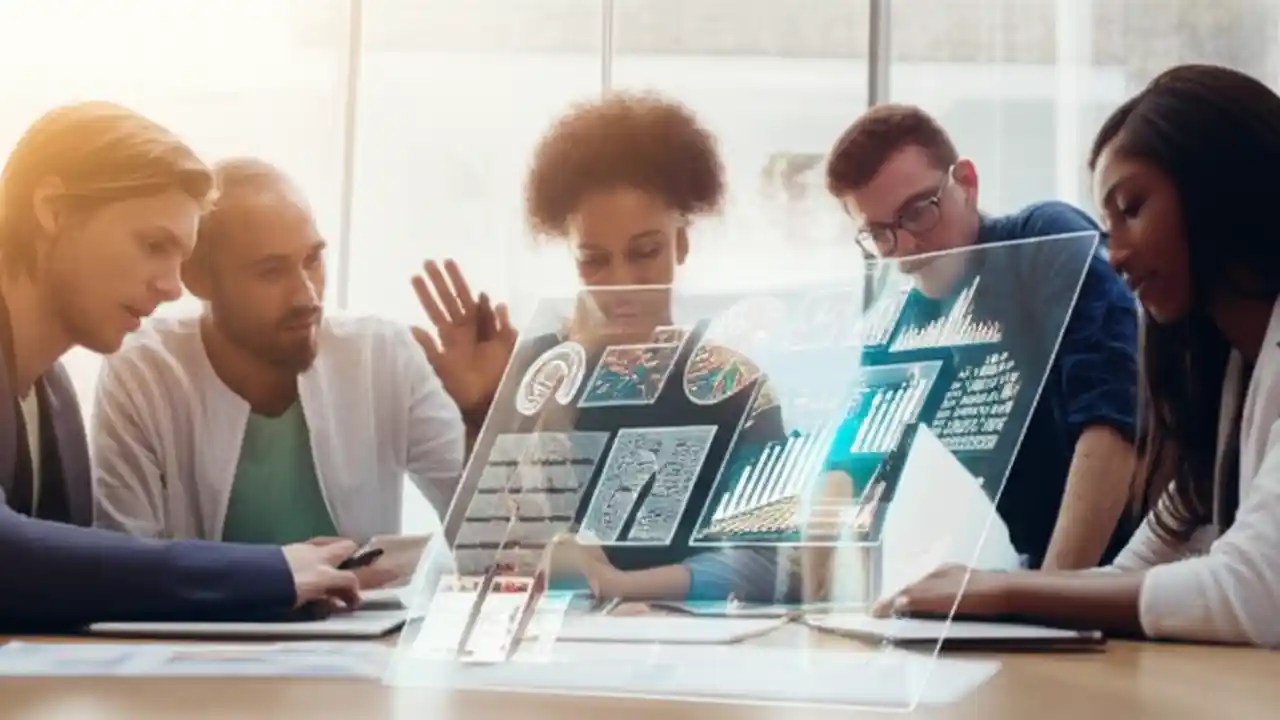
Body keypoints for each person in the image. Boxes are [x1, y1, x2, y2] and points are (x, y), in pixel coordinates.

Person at [877, 64, 1280, 647]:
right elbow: (1133, 570)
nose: (1115, 255)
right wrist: (994, 597)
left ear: (1219, 189)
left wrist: (1006, 592)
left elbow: (1256, 592)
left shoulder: (1044, 236)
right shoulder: (1228, 378)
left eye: (1132, 208)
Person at [0, 102, 374, 631]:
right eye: (154, 245)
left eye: (181, 257)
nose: (173, 286)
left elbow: (70, 580)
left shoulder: (51, 392)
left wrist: (281, 586)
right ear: (53, 209)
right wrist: (266, 573)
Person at [413, 93, 788, 601]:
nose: (622, 283)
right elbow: (479, 555)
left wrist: (624, 587)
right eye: (594, 260)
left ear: (680, 241)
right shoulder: (540, 370)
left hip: (678, 640)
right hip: (553, 642)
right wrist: (488, 414)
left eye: (646, 252)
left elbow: (769, 560)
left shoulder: (729, 384)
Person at [822, 104, 1140, 570]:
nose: (904, 249)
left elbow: (1113, 418)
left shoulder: (1043, 242)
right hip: (1042, 567)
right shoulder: (902, 325)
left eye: (918, 212)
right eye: (878, 234)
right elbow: (850, 466)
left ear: (967, 184)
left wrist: (1052, 595)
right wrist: (817, 595)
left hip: (1148, 560)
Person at [92, 157, 465, 545]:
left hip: (365, 592)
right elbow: (125, 559)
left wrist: (481, 413)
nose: (307, 296)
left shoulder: (381, 355)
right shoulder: (144, 372)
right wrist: (281, 572)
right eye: (271, 272)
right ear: (197, 279)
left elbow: (487, 538)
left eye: (312, 260)